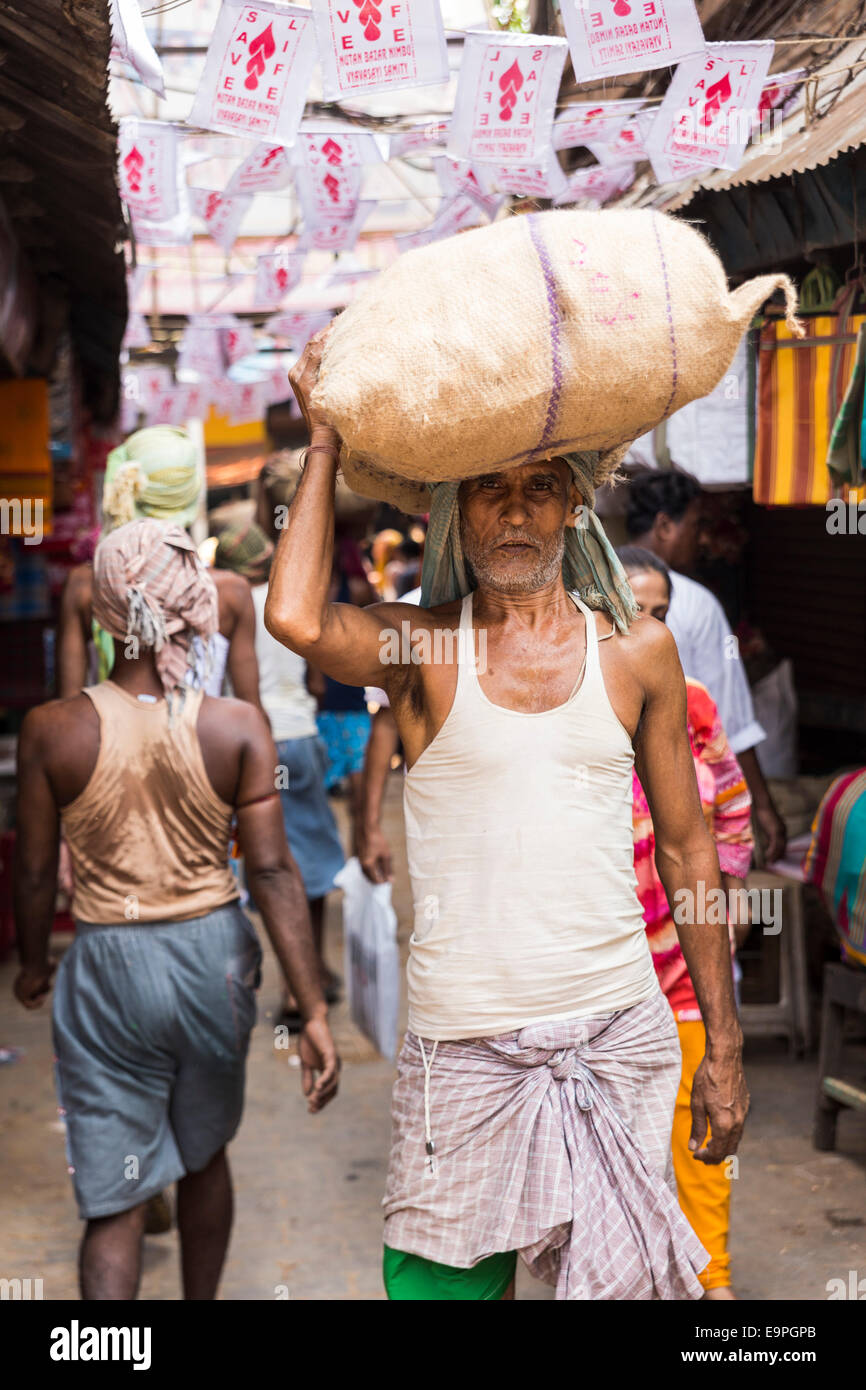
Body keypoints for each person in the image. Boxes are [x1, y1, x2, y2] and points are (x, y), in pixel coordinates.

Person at [264, 330, 748, 1301]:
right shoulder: (422, 650)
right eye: (489, 488)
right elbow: (299, 620)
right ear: (456, 509)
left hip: (613, 1034)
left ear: (574, 503)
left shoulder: (636, 652)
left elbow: (691, 850)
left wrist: (723, 1044)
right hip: (463, 1054)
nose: (515, 510)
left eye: (537, 486)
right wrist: (320, 440)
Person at [13, 519, 339, 1300]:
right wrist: (314, 1008)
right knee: (204, 1155)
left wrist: (33, 965)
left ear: (104, 614)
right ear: (196, 605)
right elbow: (272, 872)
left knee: (117, 1197)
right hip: (212, 961)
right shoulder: (236, 728)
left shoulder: (53, 731)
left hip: (106, 967)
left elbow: (30, 873)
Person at [619, 546, 753, 1300]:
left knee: (704, 1132)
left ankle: (715, 1287)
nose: (649, 627)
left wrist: (725, 903)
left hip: (688, 971)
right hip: (607, 977)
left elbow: (731, 812)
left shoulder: (694, 700)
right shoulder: (582, 699)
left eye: (661, 614)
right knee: (621, 1149)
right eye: (633, 610)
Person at [214, 518, 345, 1012]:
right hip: (295, 737)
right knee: (307, 864)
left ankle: (302, 975)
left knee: (266, 866)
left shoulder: (219, 603)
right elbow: (315, 681)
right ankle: (304, 978)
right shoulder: (289, 599)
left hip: (243, 746)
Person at [624, 471, 786, 863]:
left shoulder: (585, 584)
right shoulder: (695, 602)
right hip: (678, 794)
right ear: (664, 525)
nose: (701, 540)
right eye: (697, 525)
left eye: (659, 614)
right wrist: (761, 805)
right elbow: (729, 718)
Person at [58, 426, 262, 707]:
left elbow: (69, 708)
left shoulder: (84, 585)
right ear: (193, 496)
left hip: (108, 748)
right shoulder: (231, 592)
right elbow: (251, 709)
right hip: (203, 748)